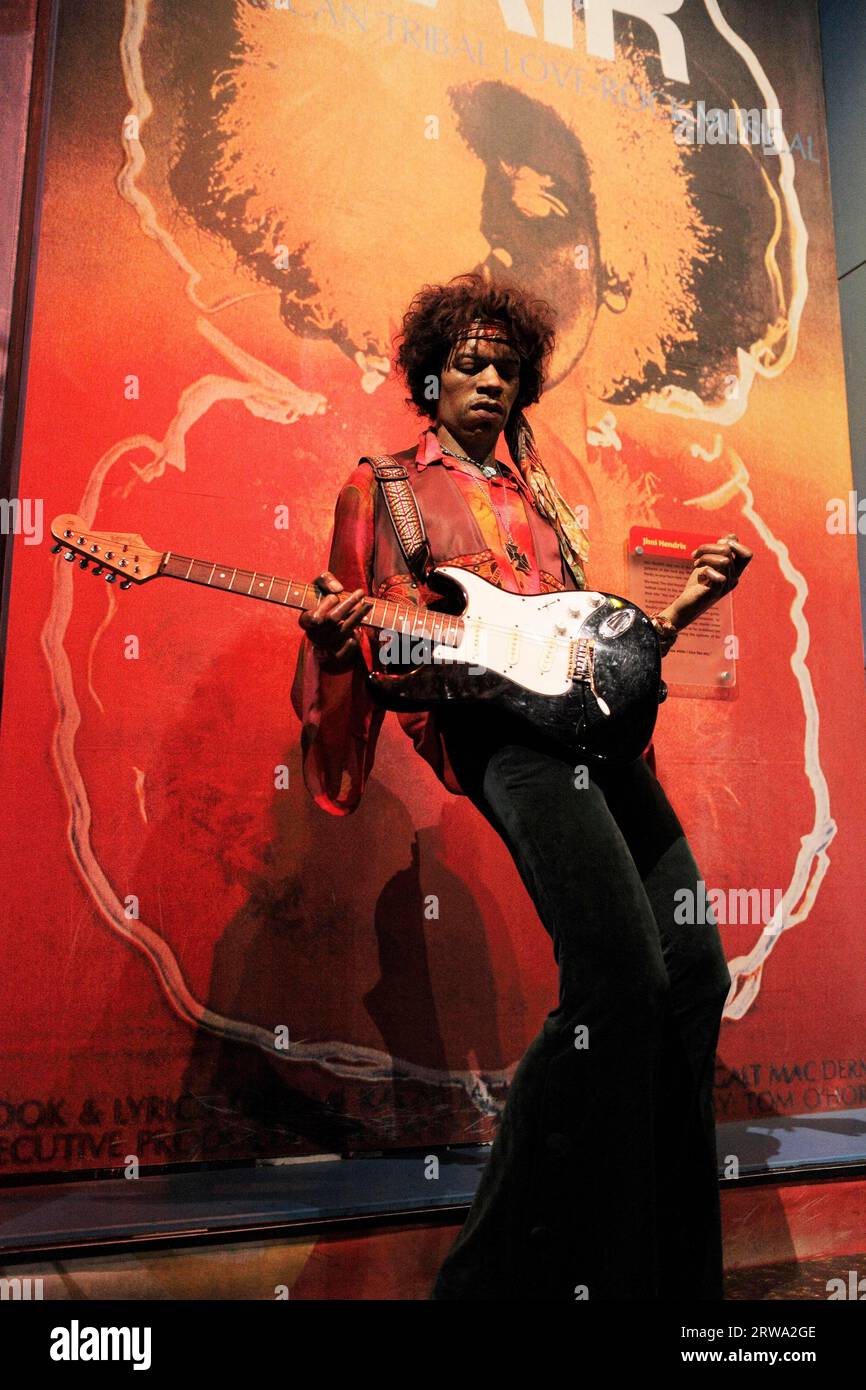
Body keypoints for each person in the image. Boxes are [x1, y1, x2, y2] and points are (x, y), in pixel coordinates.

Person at [291, 273, 752, 1300]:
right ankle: (485, 1285)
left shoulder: (539, 500)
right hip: (499, 735)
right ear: (429, 375)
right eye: (469, 362)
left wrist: (675, 614)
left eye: (506, 367)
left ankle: (670, 1281)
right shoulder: (385, 486)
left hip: (593, 741)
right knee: (616, 984)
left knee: (689, 976)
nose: (490, 380)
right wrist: (334, 647)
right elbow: (353, 644)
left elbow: (587, 654)